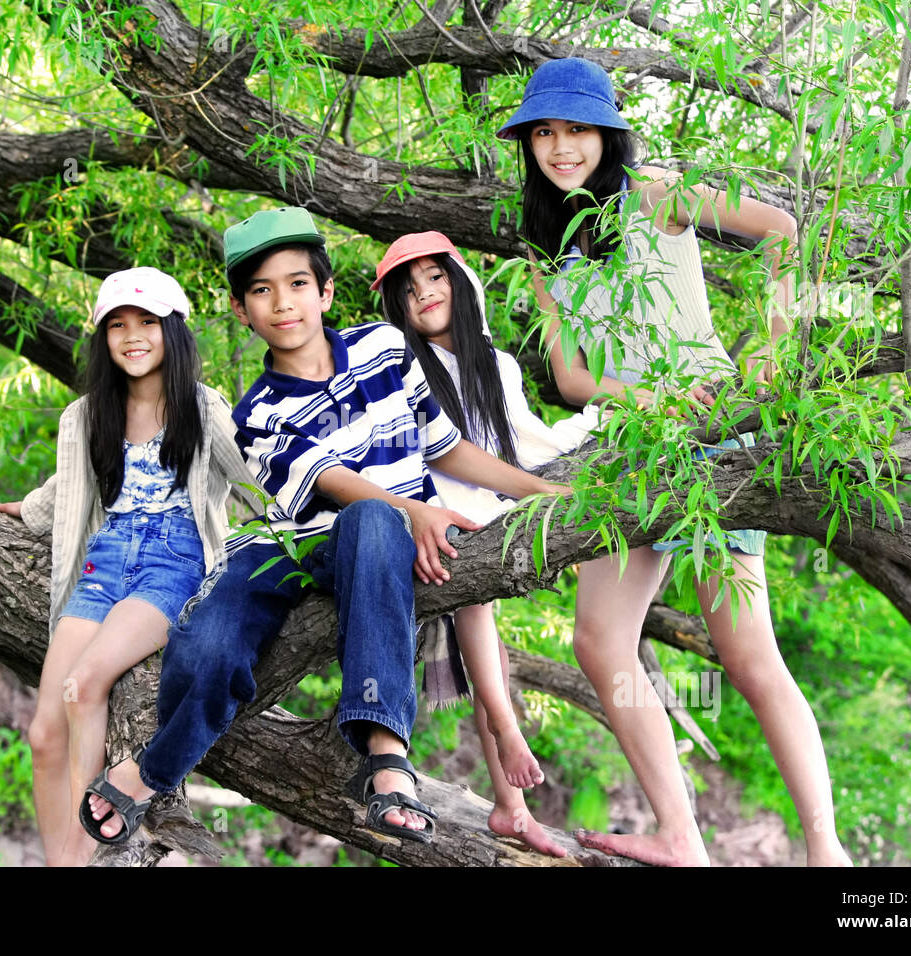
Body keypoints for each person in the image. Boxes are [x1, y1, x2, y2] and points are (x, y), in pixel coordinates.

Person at [79, 207, 565, 846]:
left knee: (372, 520)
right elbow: (330, 480)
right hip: (290, 547)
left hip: (372, 545)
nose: (283, 302)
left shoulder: (385, 349)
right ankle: (152, 770)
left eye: (298, 283)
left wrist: (542, 490)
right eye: (262, 290)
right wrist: (416, 510)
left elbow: (444, 449)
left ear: (326, 292)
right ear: (240, 310)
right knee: (210, 641)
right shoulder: (257, 412)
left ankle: (386, 753)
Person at [500, 57, 851, 865]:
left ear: (607, 134)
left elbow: (785, 232)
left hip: (715, 438)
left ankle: (826, 851)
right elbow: (571, 377)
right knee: (598, 641)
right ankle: (680, 833)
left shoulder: (656, 191)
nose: (561, 148)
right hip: (629, 445)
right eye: (545, 134)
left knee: (747, 653)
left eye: (577, 130)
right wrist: (644, 402)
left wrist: (769, 349)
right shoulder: (540, 242)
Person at [0, 267, 257, 866]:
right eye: (117, 324)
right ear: (103, 337)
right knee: (42, 733)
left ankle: (81, 858)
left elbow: (257, 479)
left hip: (174, 563)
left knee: (84, 688)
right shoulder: (89, 414)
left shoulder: (201, 408)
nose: (132, 335)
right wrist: (26, 510)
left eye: (146, 322)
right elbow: (70, 482)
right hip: (106, 560)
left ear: (172, 331)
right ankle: (66, 862)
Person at [373, 231, 596, 857]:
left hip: (483, 501)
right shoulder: (402, 367)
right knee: (477, 615)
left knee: (488, 645)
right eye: (409, 291)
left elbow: (518, 440)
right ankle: (504, 728)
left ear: (461, 284)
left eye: (436, 279)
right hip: (431, 505)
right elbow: (430, 454)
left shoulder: (494, 364)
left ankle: (509, 806)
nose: (425, 295)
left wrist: (556, 473)